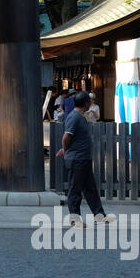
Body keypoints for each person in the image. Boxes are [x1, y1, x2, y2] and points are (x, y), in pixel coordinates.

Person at [56, 91, 114, 227]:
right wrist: (65, 149)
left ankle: (99, 216)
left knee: (90, 188)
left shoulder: (79, 116)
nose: (90, 103)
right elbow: (66, 136)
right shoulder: (75, 117)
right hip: (77, 159)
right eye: (89, 101)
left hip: (83, 158)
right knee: (75, 190)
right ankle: (75, 219)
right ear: (86, 103)